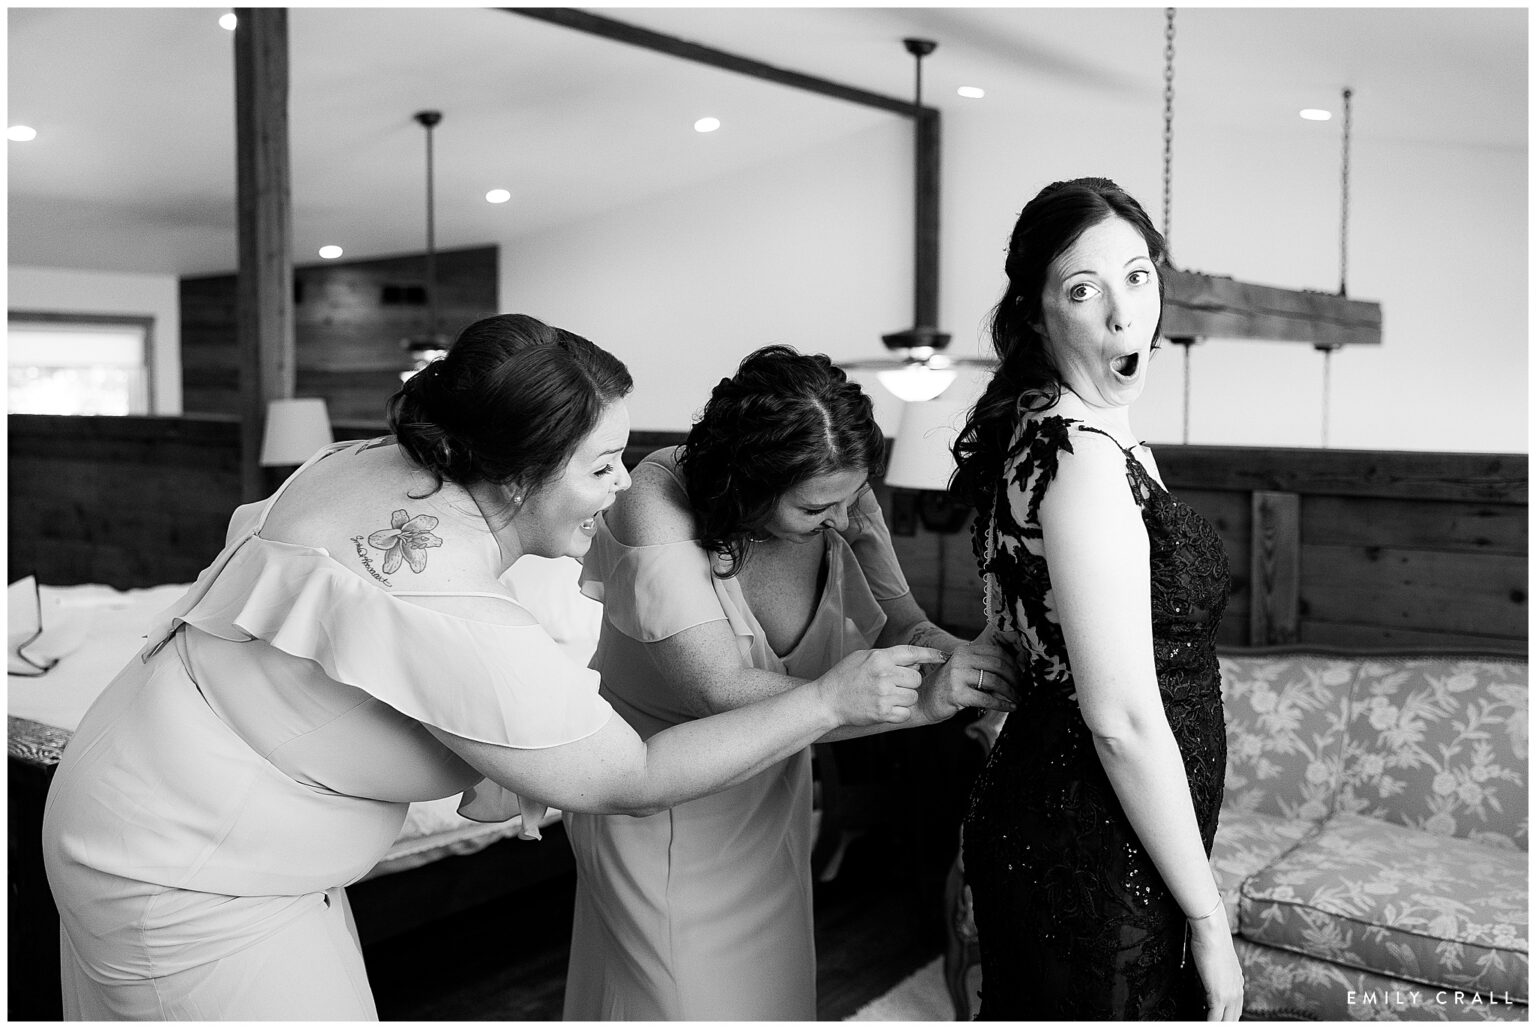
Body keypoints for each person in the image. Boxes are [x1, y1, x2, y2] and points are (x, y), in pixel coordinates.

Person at [40, 315, 943, 1021]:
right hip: (186, 867)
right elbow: (630, 776)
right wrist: (829, 698)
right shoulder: (456, 614)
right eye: (601, 466)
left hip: (144, 797)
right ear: (520, 477)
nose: (629, 485)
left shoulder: (385, 462)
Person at [562, 345, 1020, 1020]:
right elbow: (716, 688)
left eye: (849, 497)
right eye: (814, 510)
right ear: (746, 485)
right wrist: (923, 702)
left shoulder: (836, 490)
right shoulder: (655, 498)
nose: (840, 520)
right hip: (662, 811)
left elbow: (907, 624)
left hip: (768, 805)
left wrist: (976, 662)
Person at [950, 177, 1244, 1019]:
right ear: (1037, 316)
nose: (1125, 315)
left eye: (1138, 276)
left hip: (1101, 821)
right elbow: (1117, 719)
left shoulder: (1070, 433)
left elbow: (1021, 625)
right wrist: (1209, 916)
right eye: (1085, 290)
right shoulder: (1078, 458)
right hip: (1093, 837)